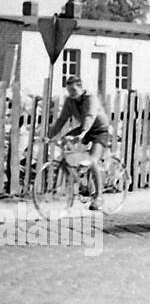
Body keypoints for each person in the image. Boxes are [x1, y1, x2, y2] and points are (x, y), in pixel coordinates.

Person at [47, 76, 112, 210]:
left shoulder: (90, 98)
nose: (71, 93)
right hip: (84, 128)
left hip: (99, 129)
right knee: (65, 141)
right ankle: (80, 178)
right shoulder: (70, 101)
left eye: (74, 90)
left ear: (81, 88)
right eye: (69, 91)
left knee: (92, 159)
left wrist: (82, 134)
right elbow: (62, 119)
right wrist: (49, 137)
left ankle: (99, 196)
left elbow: (90, 116)